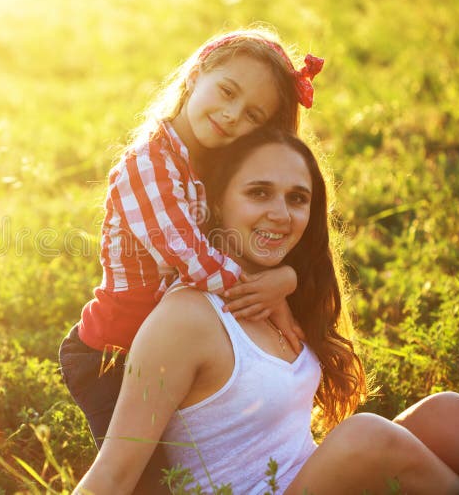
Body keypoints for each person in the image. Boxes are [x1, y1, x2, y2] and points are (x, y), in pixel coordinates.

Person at [74, 129, 459, 495]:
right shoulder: (185, 319)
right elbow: (112, 475)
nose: (281, 213)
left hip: (305, 477)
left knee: (445, 413)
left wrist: (288, 280)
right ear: (217, 202)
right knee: (363, 438)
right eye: (259, 193)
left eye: (297, 198)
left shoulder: (277, 295)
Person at [60, 27, 324, 492]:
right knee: (136, 480)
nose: (231, 115)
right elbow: (190, 256)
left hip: (176, 347)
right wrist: (267, 289)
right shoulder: (146, 165)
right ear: (196, 74)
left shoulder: (207, 166)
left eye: (252, 115)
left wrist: (286, 276)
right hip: (114, 353)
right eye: (227, 92)